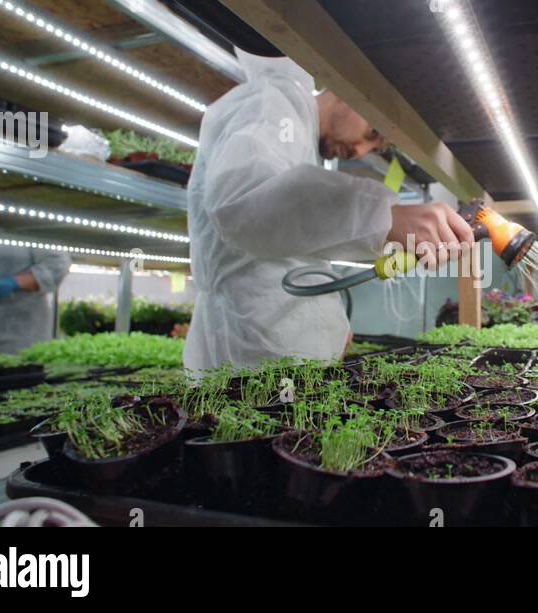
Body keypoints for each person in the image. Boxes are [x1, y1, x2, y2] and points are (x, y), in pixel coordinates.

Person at [184, 50, 474, 372]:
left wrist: (326, 326)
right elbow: (242, 205)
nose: (360, 151)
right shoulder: (274, 104)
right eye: (372, 133)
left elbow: (284, 250)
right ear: (346, 88)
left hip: (270, 357)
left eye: (376, 150)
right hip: (248, 358)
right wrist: (384, 218)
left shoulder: (300, 135)